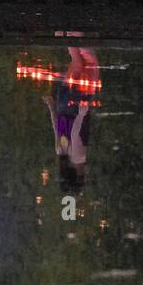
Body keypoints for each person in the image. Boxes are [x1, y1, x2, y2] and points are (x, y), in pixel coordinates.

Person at [42, 47, 100, 191]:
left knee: (91, 63)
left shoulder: (78, 158)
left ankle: (76, 33)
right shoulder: (60, 152)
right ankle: (69, 33)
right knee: (76, 61)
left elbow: (75, 135)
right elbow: (56, 127)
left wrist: (81, 115)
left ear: (78, 175)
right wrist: (51, 107)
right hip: (62, 104)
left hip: (77, 106)